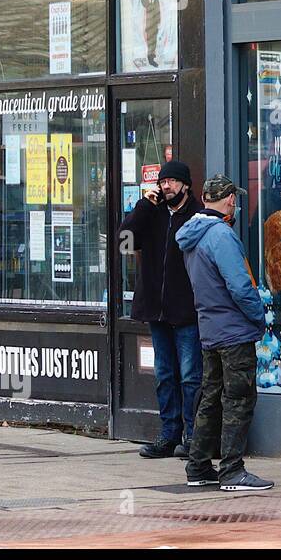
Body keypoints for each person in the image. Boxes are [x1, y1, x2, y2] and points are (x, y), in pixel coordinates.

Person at [175, 175, 273, 492]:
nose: (236, 204)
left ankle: (198, 466)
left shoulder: (192, 235)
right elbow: (241, 286)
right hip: (233, 331)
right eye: (235, 198)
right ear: (229, 199)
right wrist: (259, 318)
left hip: (209, 329)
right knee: (238, 400)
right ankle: (232, 470)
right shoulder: (221, 235)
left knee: (210, 398)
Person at [120, 159, 204, 459]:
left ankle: (193, 438)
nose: (165, 185)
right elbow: (124, 241)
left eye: (171, 181)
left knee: (191, 376)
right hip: (155, 307)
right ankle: (168, 435)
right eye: (163, 181)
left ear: (185, 185)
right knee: (164, 374)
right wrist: (143, 206)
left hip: (186, 309)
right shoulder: (151, 213)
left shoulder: (197, 215)